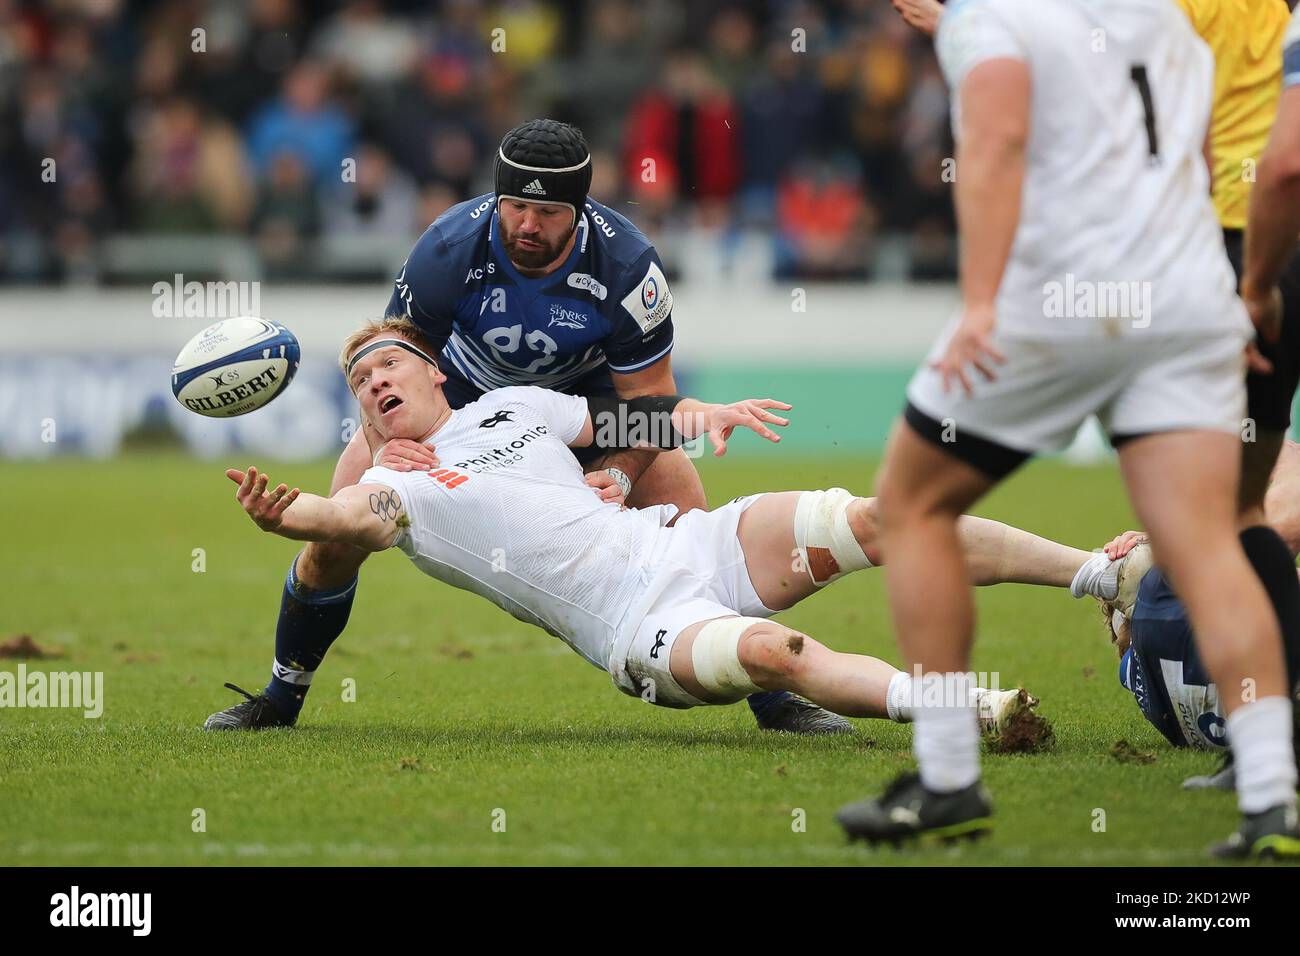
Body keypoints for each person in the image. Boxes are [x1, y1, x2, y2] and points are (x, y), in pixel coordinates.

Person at [838, 0, 1299, 859]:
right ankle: (1272, 799)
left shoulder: (993, 16)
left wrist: (979, 301)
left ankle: (946, 780)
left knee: (911, 505)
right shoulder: (1163, 21)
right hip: (1189, 297)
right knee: (1209, 540)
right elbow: (1198, 154)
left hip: (1060, 301)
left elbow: (999, 141)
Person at [209, 317, 1141, 741]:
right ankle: (970, 710)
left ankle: (1103, 575)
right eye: (361, 379)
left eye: (390, 363)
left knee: (884, 518)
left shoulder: (517, 406)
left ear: (434, 374)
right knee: (778, 654)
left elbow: (620, 429)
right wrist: (285, 511)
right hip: (637, 627)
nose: (376, 380)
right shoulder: (394, 483)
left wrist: (698, 414)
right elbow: (348, 524)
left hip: (686, 543)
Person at [221, 117, 846, 736]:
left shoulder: (628, 266)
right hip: (458, 405)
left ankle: (775, 700)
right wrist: (390, 450)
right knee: (335, 536)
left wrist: (620, 475)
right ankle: (281, 697)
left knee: (684, 511)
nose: (526, 224)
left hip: (585, 407)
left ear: (579, 209)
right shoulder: (445, 250)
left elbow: (652, 399)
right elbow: (393, 359)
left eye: (546, 213)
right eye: (514, 206)